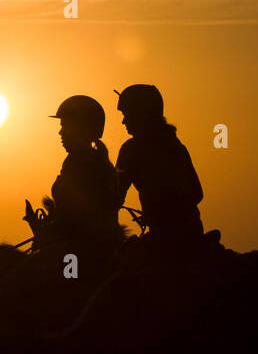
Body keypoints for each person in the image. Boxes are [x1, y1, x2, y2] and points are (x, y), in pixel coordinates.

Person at [23, 95, 122, 277]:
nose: (60, 132)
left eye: (64, 125)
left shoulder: (82, 162)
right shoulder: (86, 159)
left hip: (81, 255)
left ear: (82, 127)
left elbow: (78, 219)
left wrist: (43, 230)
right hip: (87, 249)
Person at [114, 84, 213, 266]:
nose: (123, 122)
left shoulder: (131, 150)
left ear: (141, 114)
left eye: (126, 115)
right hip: (193, 233)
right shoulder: (175, 146)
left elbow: (114, 198)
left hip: (164, 242)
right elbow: (197, 193)